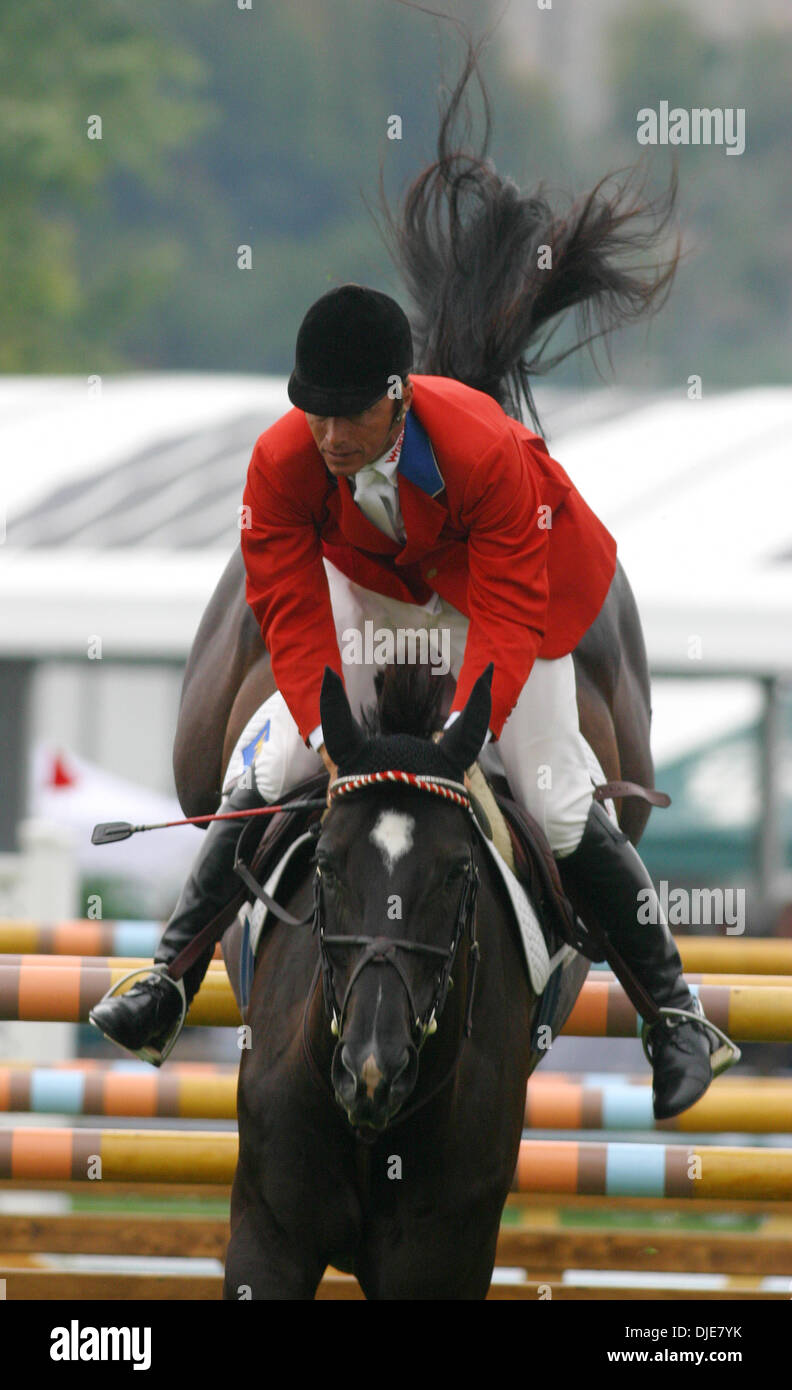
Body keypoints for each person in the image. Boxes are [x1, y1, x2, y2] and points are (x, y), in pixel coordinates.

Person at [90, 284, 721, 1118]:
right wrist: (322, 729)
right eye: (314, 414)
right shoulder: (283, 460)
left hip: (498, 602)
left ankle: (675, 1017)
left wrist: (465, 739)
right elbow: (286, 599)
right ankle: (168, 981)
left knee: (561, 802)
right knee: (270, 763)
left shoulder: (485, 449)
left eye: (347, 416)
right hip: (371, 594)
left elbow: (507, 612)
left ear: (398, 398)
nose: (329, 436)